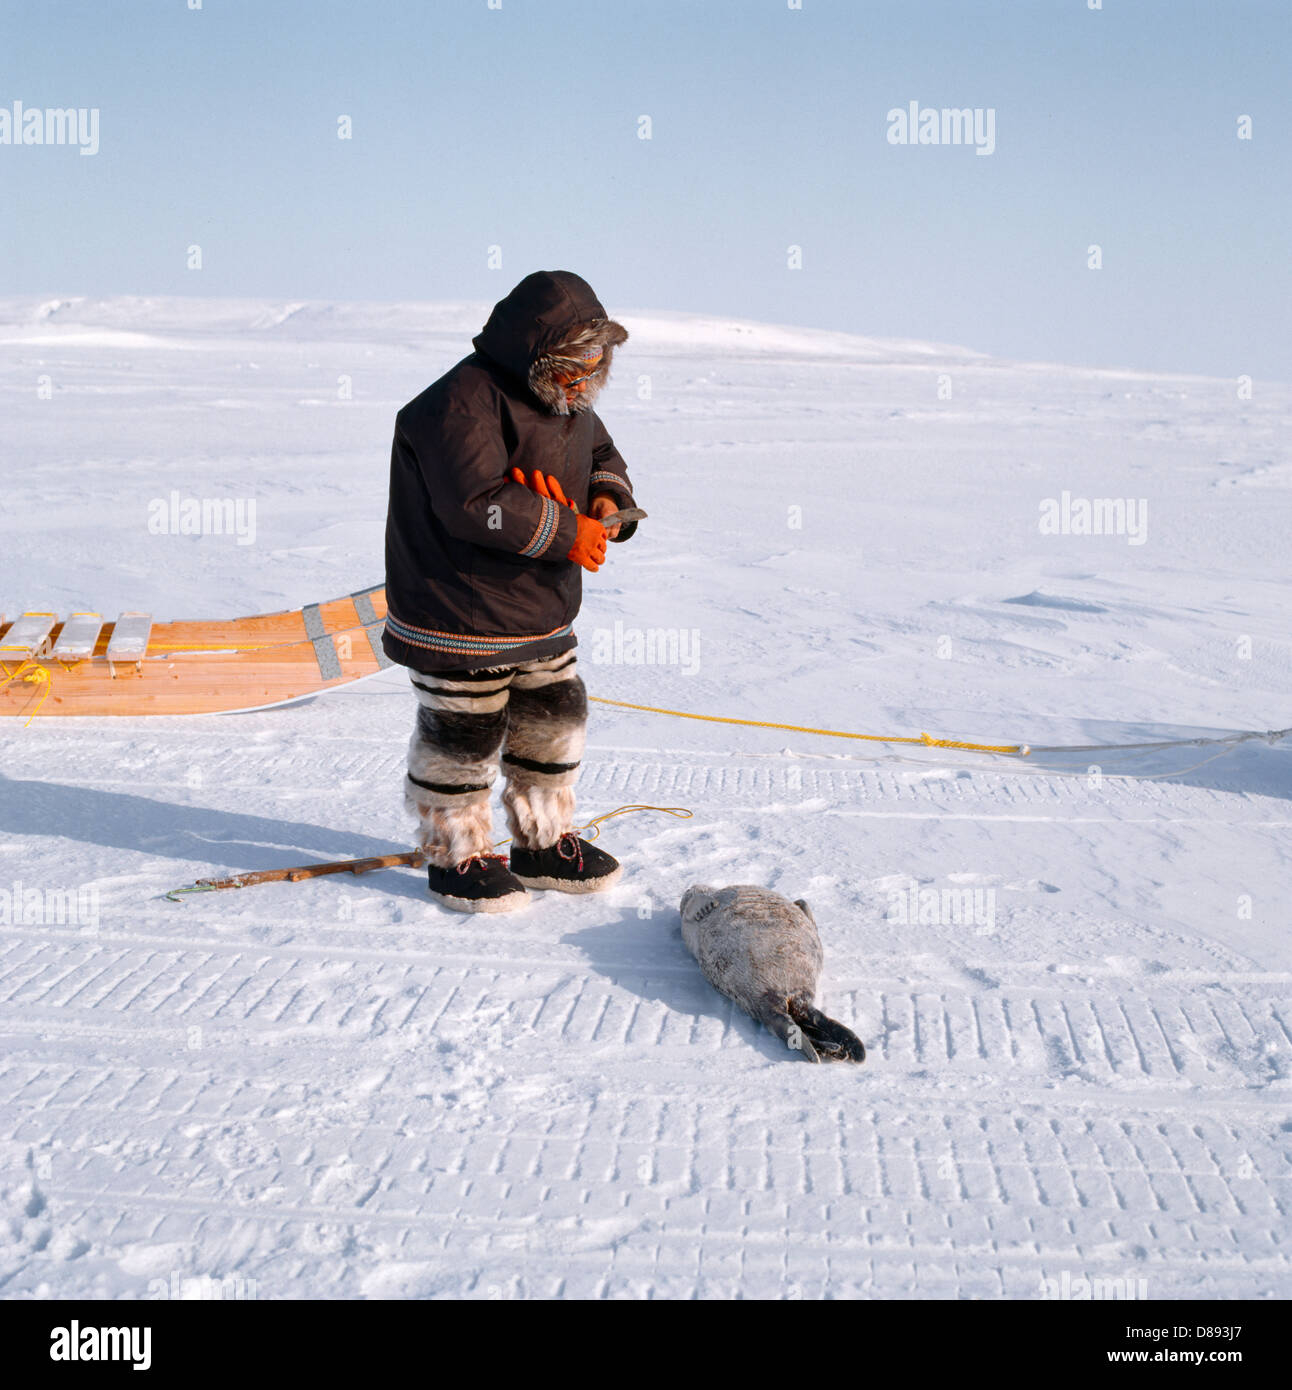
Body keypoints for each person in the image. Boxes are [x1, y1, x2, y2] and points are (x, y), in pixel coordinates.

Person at [382, 270, 639, 912]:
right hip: (459, 613)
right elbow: (475, 503)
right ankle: (455, 854)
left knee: (554, 722)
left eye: (595, 367)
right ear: (537, 354)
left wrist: (607, 497)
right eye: (574, 368)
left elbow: (599, 450)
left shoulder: (565, 398)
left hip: (540, 609)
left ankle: (542, 843)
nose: (585, 383)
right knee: (464, 736)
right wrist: (565, 529)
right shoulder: (458, 403)